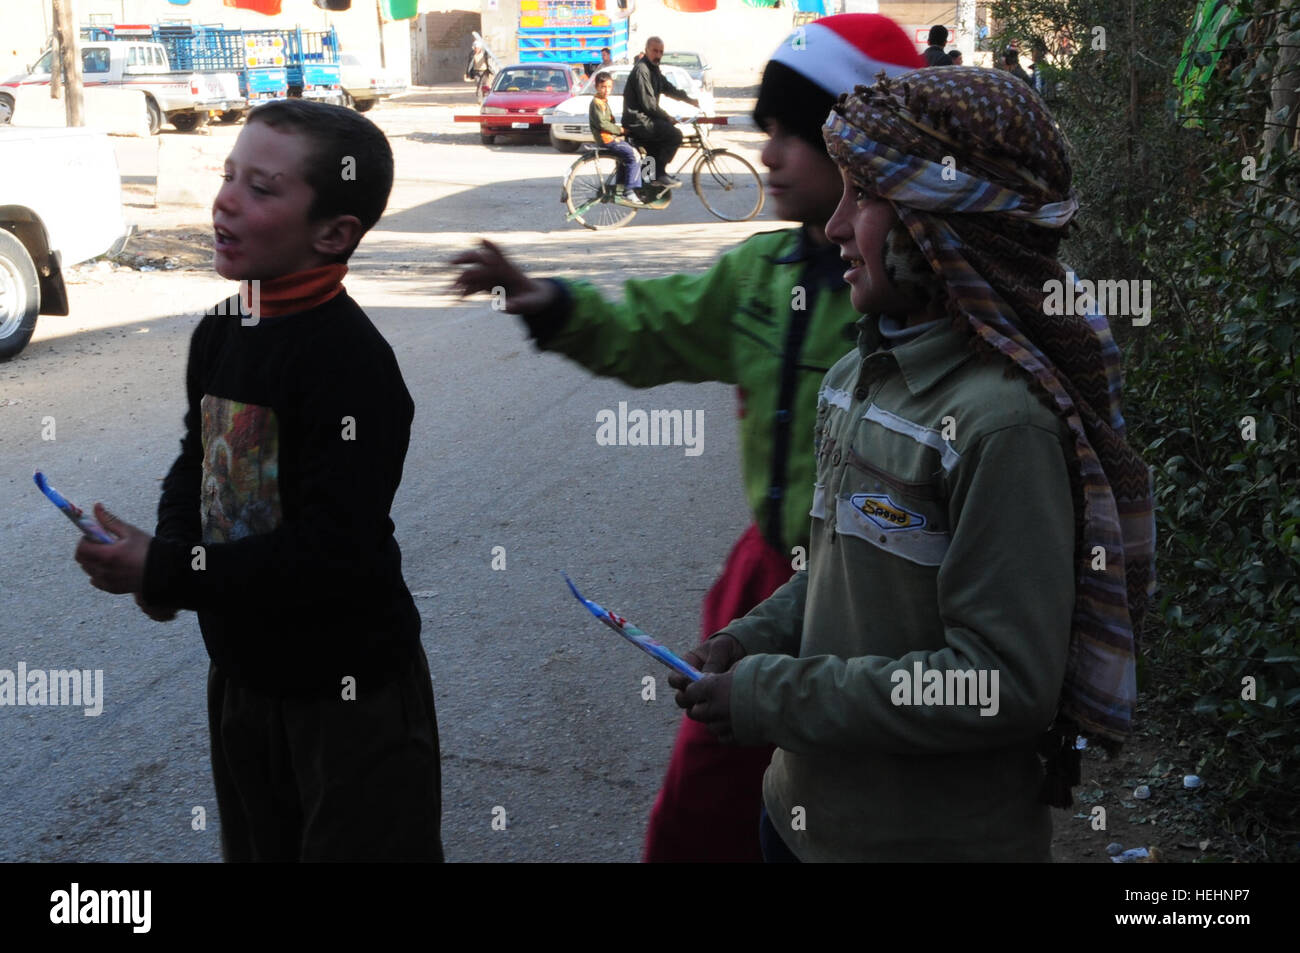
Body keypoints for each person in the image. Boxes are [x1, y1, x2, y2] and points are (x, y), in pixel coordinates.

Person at [451, 14, 922, 863]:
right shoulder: (759, 274)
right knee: (706, 794)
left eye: (796, 135)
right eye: (768, 130)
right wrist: (555, 306)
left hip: (882, 600)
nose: (770, 152)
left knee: (852, 804)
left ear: (872, 149)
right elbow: (656, 328)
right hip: (767, 581)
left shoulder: (923, 301)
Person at [671, 66, 1156, 862]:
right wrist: (750, 638)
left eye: (863, 198)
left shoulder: (1003, 429)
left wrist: (771, 695)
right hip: (799, 817)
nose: (833, 228)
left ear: (938, 229)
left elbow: (997, 683)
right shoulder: (856, 376)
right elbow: (837, 574)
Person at [73, 99, 444, 863]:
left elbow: (329, 552)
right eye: (228, 175)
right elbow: (197, 458)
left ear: (334, 233)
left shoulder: (351, 367)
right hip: (242, 676)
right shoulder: (221, 326)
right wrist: (169, 563)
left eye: (263, 189)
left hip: (349, 694)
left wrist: (167, 567)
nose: (226, 201)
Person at [620, 35, 698, 189]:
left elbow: (668, 88)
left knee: (655, 145)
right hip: (637, 120)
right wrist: (667, 117)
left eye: (660, 52)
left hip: (645, 119)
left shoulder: (654, 69)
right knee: (674, 135)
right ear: (646, 50)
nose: (658, 55)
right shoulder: (642, 70)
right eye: (655, 51)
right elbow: (649, 104)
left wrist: (690, 100)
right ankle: (660, 174)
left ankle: (645, 184)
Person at [589, 70, 644, 205]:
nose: (606, 90)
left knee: (625, 157)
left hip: (609, 137)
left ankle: (620, 185)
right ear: (596, 87)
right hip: (606, 139)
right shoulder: (597, 103)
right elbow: (603, 123)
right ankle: (629, 191)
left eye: (609, 87)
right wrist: (620, 130)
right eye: (603, 87)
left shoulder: (602, 101)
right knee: (634, 155)